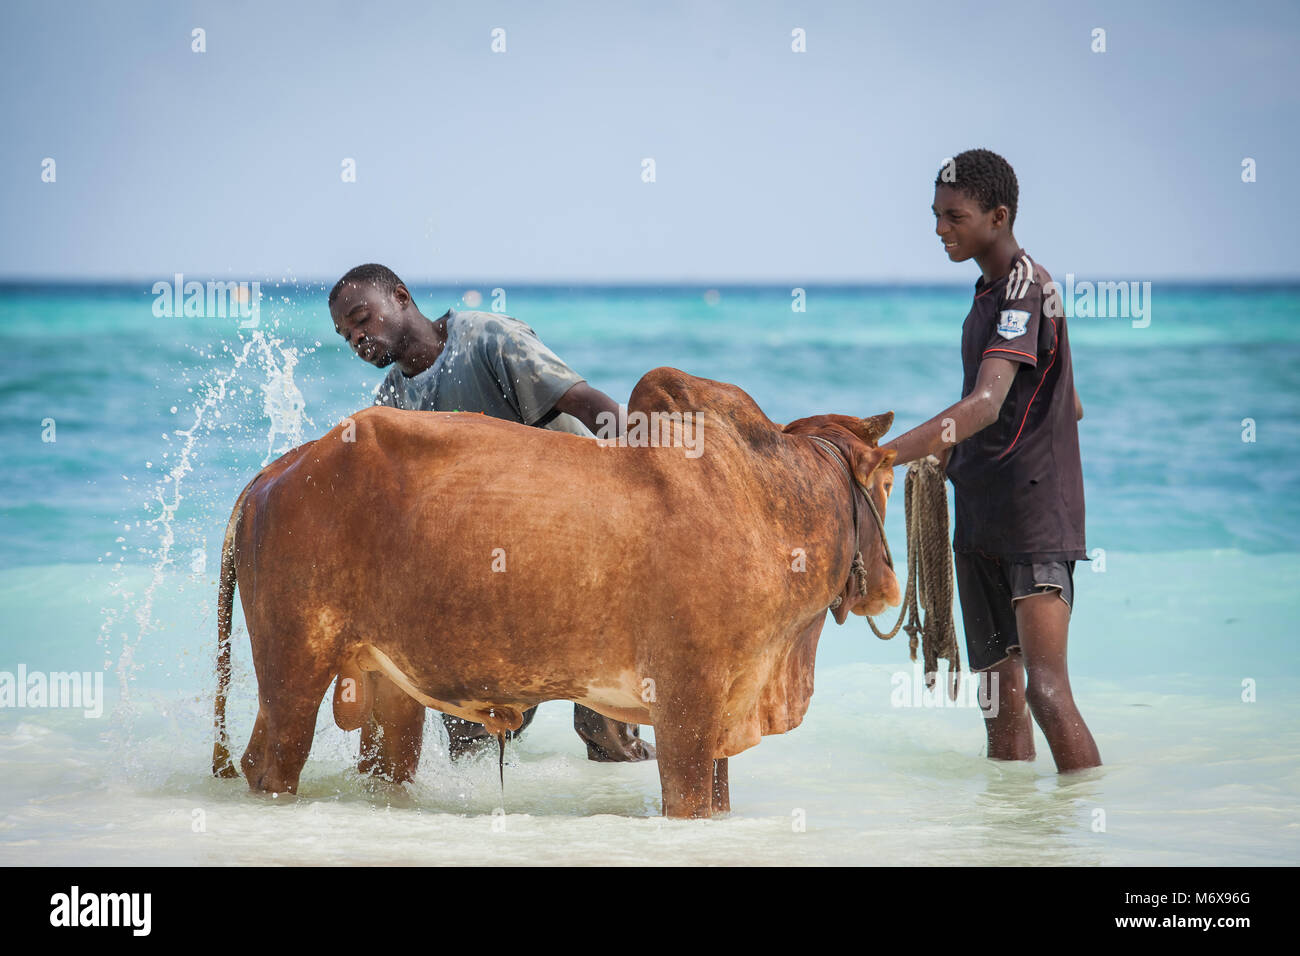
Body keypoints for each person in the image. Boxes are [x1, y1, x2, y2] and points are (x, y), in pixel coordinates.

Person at [328, 263, 655, 763]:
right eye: (345, 334)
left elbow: (590, 406)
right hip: (497, 578)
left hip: (582, 548)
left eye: (362, 318)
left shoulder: (487, 338)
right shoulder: (391, 402)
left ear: (400, 296)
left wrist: (658, 476)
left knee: (609, 737)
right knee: (473, 745)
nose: (356, 338)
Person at [879, 150, 1101, 772]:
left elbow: (985, 402)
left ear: (998, 216)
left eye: (954, 216)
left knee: (1046, 692)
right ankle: (1011, 846)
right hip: (979, 515)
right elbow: (1072, 404)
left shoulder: (1028, 288)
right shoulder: (989, 294)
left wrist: (885, 455)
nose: (940, 229)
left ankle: (1083, 833)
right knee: (999, 701)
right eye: (935, 215)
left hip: (1034, 521)